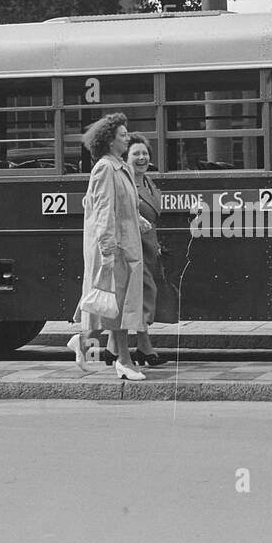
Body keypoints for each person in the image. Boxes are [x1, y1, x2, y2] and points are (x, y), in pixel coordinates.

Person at [66, 113, 148, 381]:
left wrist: (140, 220)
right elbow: (103, 211)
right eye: (123, 135)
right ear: (109, 140)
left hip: (126, 247)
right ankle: (123, 361)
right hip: (115, 249)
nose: (127, 138)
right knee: (118, 306)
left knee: (120, 306)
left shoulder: (120, 167)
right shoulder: (104, 168)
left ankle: (84, 341)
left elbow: (124, 206)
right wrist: (108, 250)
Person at [126, 131, 169, 366]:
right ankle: (143, 347)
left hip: (149, 247)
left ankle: (116, 347)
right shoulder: (126, 183)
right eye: (136, 153)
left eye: (145, 153)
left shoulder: (148, 182)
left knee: (140, 296)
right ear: (126, 157)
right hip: (133, 249)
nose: (141, 157)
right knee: (144, 295)